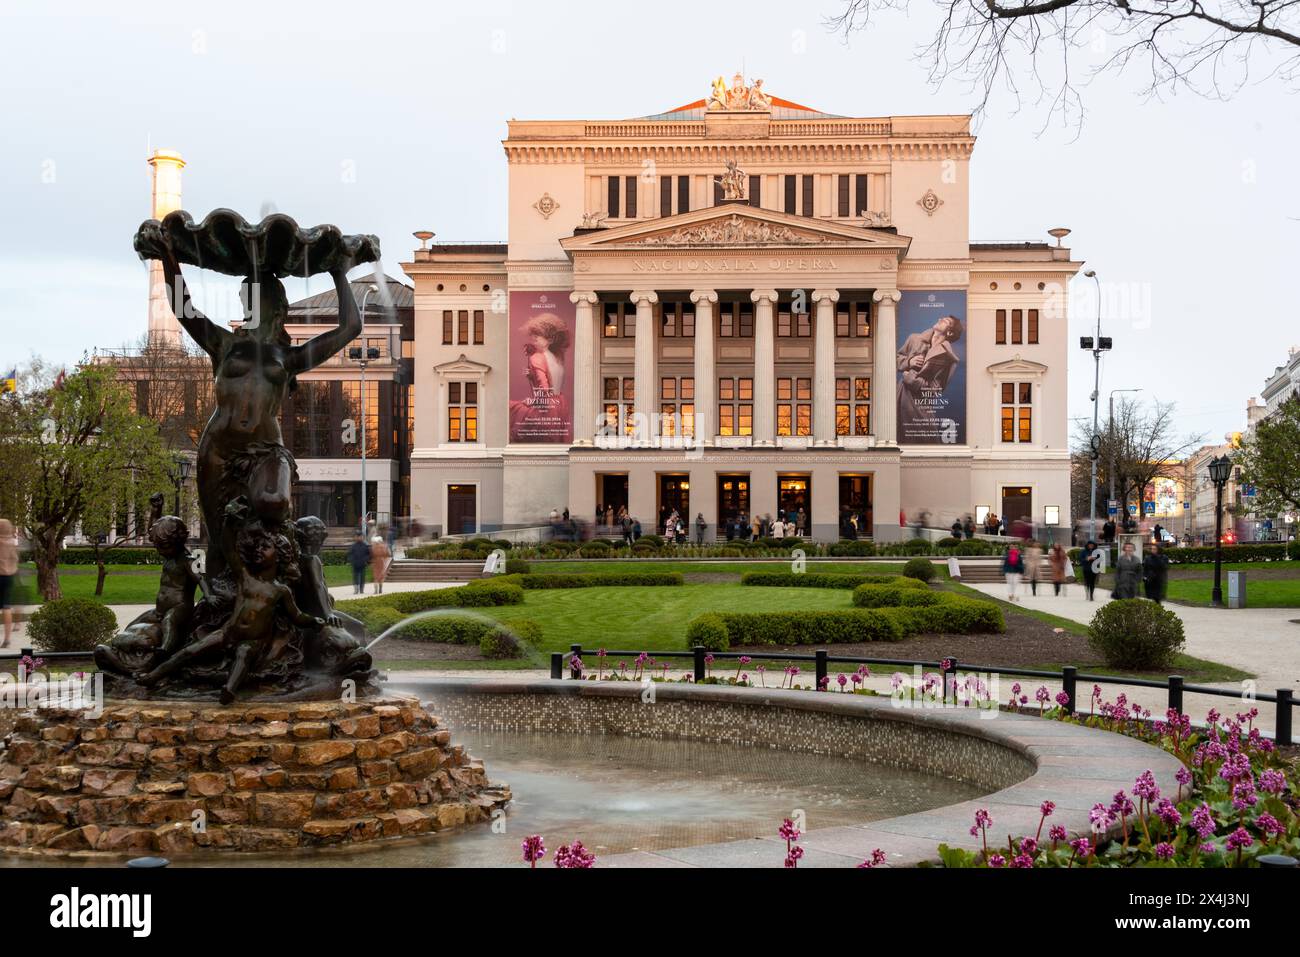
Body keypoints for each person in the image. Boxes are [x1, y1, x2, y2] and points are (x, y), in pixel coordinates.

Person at [0, 518, 16, 648]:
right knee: (6, 607)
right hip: (9, 576)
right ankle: (7, 639)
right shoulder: (11, 543)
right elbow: (15, 559)